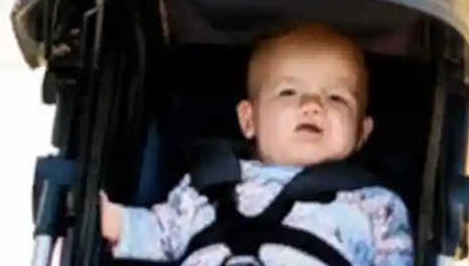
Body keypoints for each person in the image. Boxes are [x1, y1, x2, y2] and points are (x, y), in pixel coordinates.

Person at [99, 23, 414, 265]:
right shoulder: (207, 184)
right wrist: (114, 221)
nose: (312, 105)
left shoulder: (376, 205)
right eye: (288, 92)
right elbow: (162, 232)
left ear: (361, 132)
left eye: (336, 98)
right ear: (249, 119)